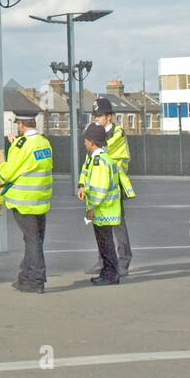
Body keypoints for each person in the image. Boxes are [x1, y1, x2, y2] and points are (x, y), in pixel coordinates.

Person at [0, 108, 54, 294]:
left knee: (32, 240)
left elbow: (8, 172)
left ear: (20, 124)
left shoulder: (21, 146)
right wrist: (17, 146)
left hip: (23, 201)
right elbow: (32, 163)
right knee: (35, 239)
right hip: (40, 199)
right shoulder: (44, 142)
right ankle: (26, 277)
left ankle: (35, 280)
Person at [83, 97, 134, 278]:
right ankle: (104, 259)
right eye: (94, 116)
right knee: (101, 223)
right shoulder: (96, 133)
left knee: (117, 223)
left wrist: (94, 140)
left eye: (99, 116)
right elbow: (90, 158)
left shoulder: (117, 133)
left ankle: (124, 260)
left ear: (109, 117)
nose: (96, 119)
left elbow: (103, 150)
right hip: (100, 182)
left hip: (114, 184)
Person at [79, 122, 122, 285]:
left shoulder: (99, 162)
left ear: (92, 142)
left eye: (86, 140)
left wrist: (90, 209)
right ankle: (107, 272)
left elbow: (98, 190)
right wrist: (82, 186)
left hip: (103, 211)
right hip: (105, 210)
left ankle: (111, 275)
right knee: (104, 244)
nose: (84, 143)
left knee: (106, 245)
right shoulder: (101, 158)